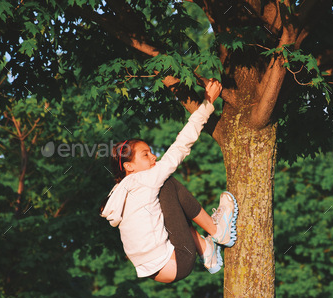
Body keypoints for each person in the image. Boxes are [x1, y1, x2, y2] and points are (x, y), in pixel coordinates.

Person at [100, 79, 238, 283]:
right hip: (177, 261)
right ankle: (218, 230)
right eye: (146, 155)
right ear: (129, 166)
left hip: (159, 271)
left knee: (163, 202)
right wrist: (208, 103)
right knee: (166, 184)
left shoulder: (119, 192)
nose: (154, 157)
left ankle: (206, 251)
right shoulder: (144, 180)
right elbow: (181, 146)